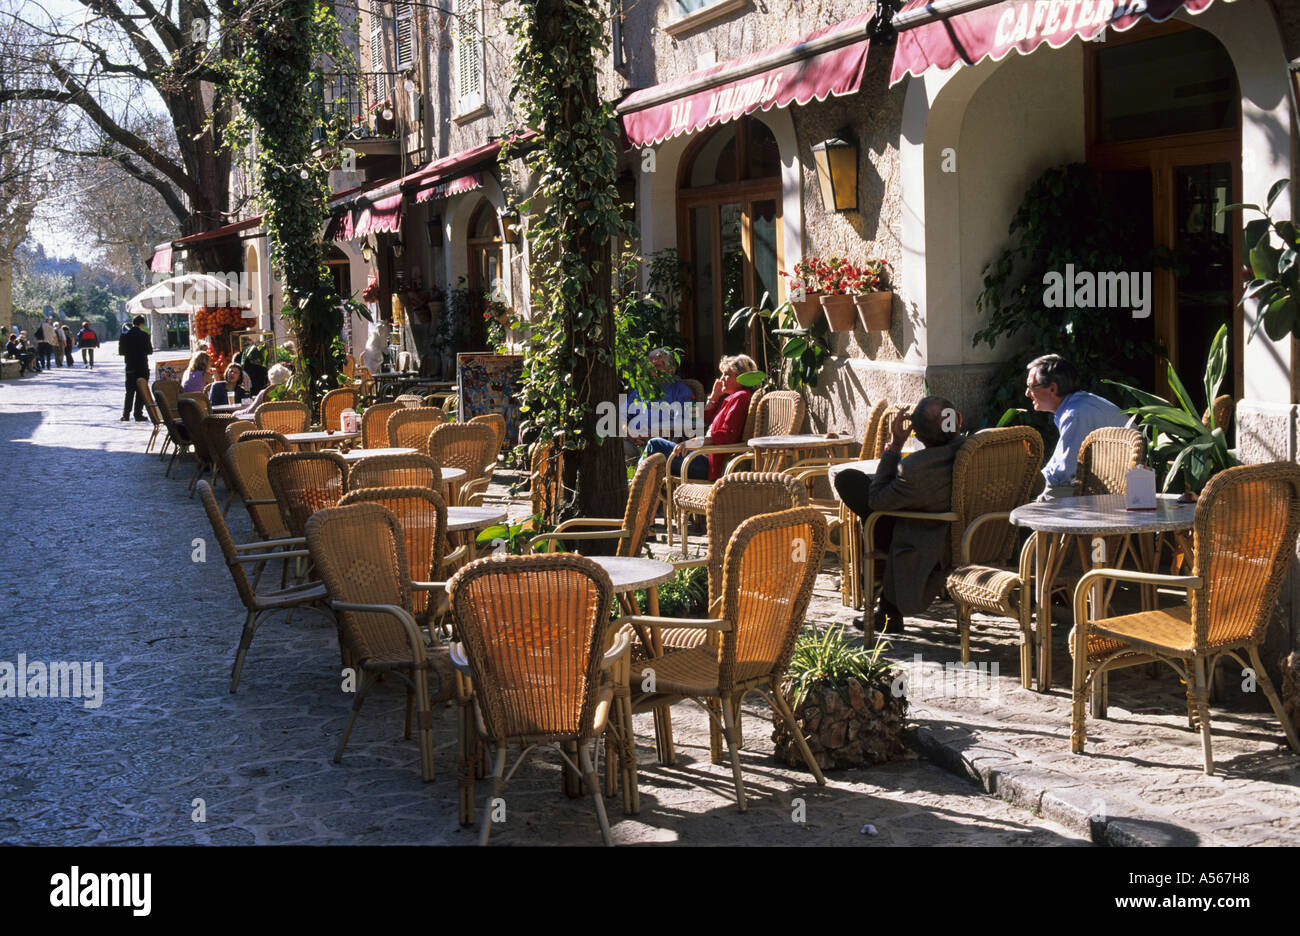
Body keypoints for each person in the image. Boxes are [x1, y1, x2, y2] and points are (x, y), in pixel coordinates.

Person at [834, 397, 965, 633]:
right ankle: (886, 611)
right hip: (971, 531)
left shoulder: (916, 467)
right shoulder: (977, 452)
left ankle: (884, 607)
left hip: (928, 537)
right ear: (958, 421)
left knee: (860, 498)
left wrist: (895, 446)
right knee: (875, 517)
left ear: (919, 436)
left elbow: (877, 500)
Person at [641, 353, 756, 481]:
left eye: (727, 374)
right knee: (657, 456)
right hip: (703, 456)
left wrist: (691, 442)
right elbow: (702, 420)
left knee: (655, 444)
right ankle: (643, 492)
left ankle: (634, 489)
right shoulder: (730, 398)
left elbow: (724, 436)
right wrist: (713, 398)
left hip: (710, 465)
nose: (721, 378)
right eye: (722, 373)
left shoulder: (741, 397)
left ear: (741, 377)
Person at [1025, 354, 1127, 499]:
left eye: (1031, 386)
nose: (1027, 393)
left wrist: (1028, 484)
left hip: (1112, 494)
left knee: (1034, 500)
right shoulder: (1078, 405)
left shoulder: (1075, 414)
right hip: (1104, 487)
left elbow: (1065, 473)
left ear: (1053, 388)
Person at [622, 347, 697, 457]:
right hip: (633, 442)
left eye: (657, 366)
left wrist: (657, 434)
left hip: (662, 445)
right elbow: (621, 416)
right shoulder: (640, 390)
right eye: (650, 366)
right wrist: (629, 434)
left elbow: (690, 422)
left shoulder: (682, 391)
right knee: (609, 445)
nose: (652, 370)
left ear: (670, 368)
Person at [118, 314, 153, 421]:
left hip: (130, 367)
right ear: (141, 324)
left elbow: (121, 352)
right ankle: (138, 414)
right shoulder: (145, 335)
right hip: (142, 366)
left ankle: (126, 414)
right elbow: (149, 351)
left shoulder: (124, 336)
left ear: (133, 323)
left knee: (129, 391)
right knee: (141, 391)